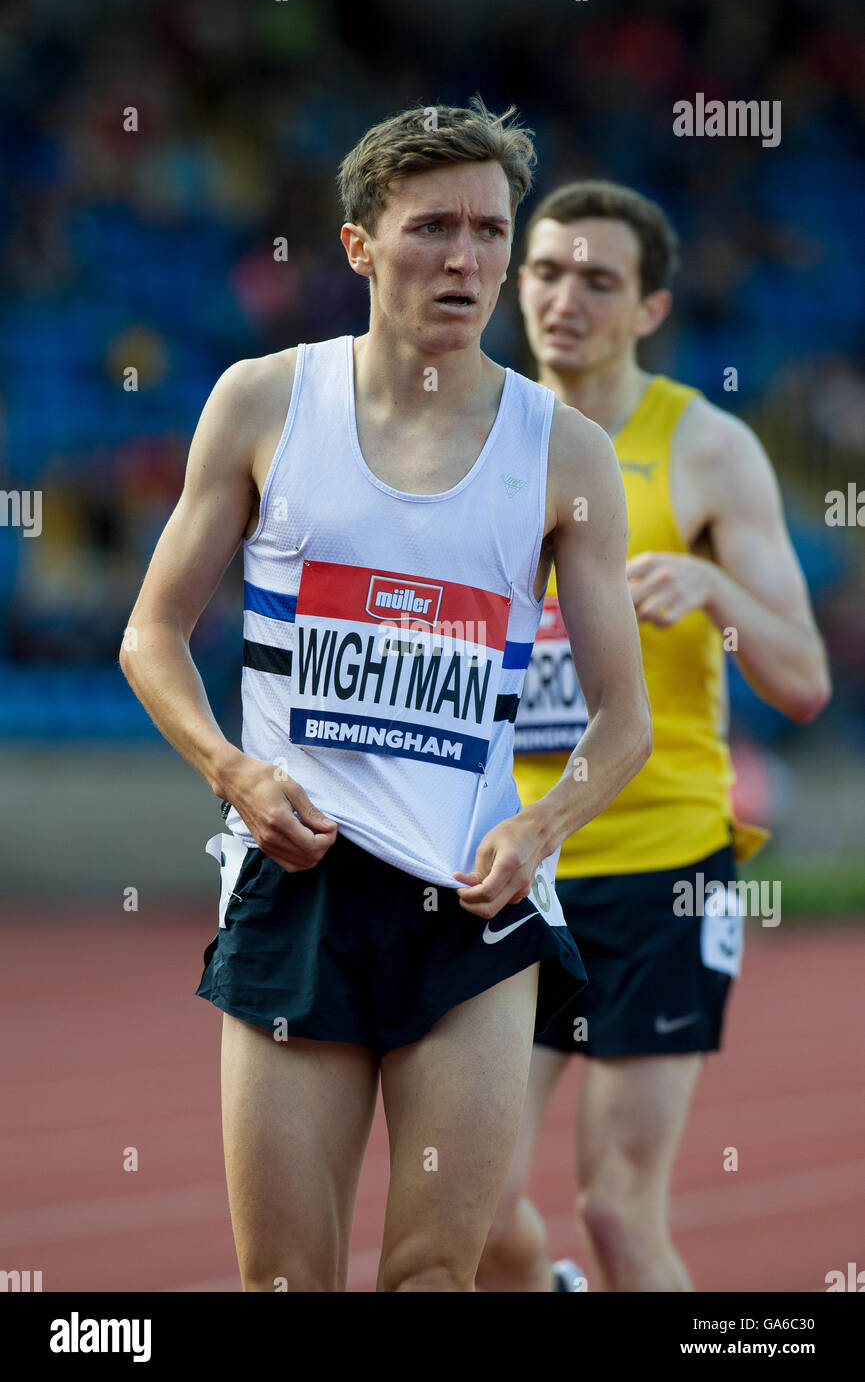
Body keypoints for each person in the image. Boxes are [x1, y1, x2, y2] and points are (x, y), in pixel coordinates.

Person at [119, 111, 651, 1293]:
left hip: (472, 905)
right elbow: (151, 634)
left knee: (427, 1280)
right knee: (284, 1282)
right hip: (298, 891)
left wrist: (540, 824)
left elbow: (624, 720)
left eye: (488, 232)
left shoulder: (562, 453)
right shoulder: (264, 404)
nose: (464, 260)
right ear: (360, 247)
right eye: (432, 230)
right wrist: (234, 772)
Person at [476, 180, 832, 1293]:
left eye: (597, 280)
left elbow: (807, 680)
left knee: (616, 1210)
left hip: (662, 868)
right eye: (543, 271)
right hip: (511, 865)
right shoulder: (472, 434)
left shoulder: (704, 447)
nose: (562, 298)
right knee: (475, 1210)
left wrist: (712, 583)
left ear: (650, 308)